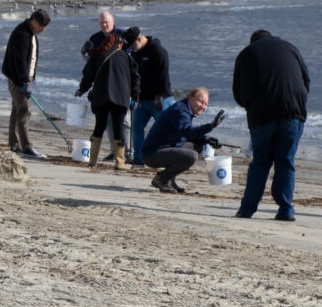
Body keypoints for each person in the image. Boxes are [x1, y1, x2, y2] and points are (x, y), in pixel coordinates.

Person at [231, 28, 311, 221]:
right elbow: (306, 81)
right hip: (293, 112)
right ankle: (286, 209)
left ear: (253, 41)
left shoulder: (245, 54)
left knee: (261, 161)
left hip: (261, 116)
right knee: (285, 161)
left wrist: (250, 105)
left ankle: (247, 209)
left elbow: (237, 92)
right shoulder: (290, 48)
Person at [76, 24, 137, 170]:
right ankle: (120, 162)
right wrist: (135, 97)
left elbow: (88, 75)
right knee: (118, 128)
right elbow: (136, 78)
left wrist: (81, 90)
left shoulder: (97, 55)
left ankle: (92, 161)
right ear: (119, 43)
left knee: (99, 127)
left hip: (101, 97)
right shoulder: (126, 57)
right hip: (119, 98)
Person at [143, 88, 224, 193]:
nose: (203, 106)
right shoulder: (179, 110)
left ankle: (170, 180)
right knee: (191, 156)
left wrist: (206, 139)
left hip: (165, 148)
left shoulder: (185, 109)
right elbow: (186, 132)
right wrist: (210, 126)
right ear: (190, 98)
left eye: (205, 104)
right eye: (201, 102)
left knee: (198, 145)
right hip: (152, 153)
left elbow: (184, 134)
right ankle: (162, 179)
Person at [1, 10, 51, 159]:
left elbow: (29, 59)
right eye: (42, 26)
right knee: (24, 111)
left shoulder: (30, 32)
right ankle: (26, 147)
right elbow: (19, 61)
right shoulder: (22, 34)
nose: (43, 29)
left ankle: (14, 145)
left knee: (16, 110)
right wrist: (24, 81)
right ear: (34, 21)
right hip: (19, 78)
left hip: (22, 77)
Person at [129, 28, 173, 166]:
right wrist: (133, 95)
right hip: (141, 100)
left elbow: (164, 75)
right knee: (136, 128)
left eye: (131, 44)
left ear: (139, 39)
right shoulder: (134, 54)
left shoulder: (158, 51)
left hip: (160, 99)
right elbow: (133, 77)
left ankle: (167, 158)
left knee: (165, 129)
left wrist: (160, 95)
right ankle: (139, 158)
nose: (130, 48)